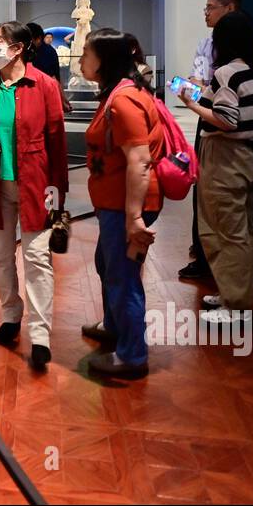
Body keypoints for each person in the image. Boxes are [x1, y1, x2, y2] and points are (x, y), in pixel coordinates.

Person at [0, 22, 69, 371]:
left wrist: (58, 195)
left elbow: (57, 141)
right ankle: (11, 314)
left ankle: (40, 335)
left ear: (18, 48)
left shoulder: (44, 85)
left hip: (36, 186)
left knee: (38, 259)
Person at [181, 0, 253, 294]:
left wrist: (193, 103)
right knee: (229, 216)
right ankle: (227, 280)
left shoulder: (233, 68)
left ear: (230, 9)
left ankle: (240, 294)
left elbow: (227, 117)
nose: (206, 13)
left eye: (211, 8)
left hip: (231, 143)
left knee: (234, 219)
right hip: (229, 139)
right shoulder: (242, 66)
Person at [78, 29, 164, 378]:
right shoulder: (118, 93)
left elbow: (139, 161)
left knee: (123, 276)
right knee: (108, 265)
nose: (81, 59)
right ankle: (115, 327)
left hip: (125, 206)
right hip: (114, 204)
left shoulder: (123, 101)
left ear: (105, 60)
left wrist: (133, 218)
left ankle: (131, 355)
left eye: (86, 53)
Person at [27, 21, 72, 113]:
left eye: (28, 40)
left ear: (38, 39)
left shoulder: (47, 52)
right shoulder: (47, 50)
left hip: (43, 94)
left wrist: (62, 99)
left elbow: (54, 77)